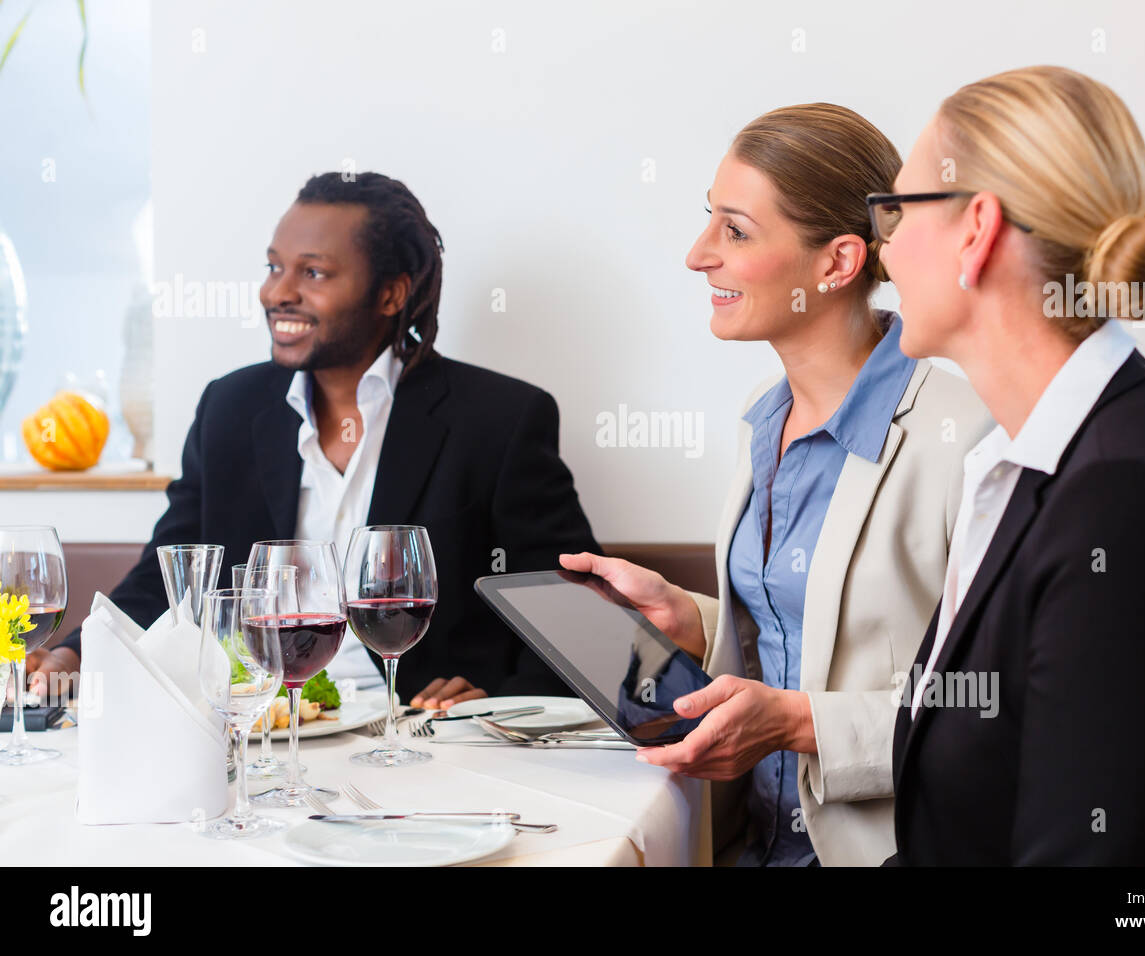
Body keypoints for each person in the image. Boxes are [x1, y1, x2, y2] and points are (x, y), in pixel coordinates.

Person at [877, 65, 1145, 864]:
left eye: (897, 210)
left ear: (976, 230)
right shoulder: (1029, 462)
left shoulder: (1128, 501)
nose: (884, 244)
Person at [562, 104, 992, 866]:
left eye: (735, 230)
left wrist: (801, 727)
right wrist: (692, 620)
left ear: (837, 263)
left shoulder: (964, 441)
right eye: (709, 223)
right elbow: (805, 640)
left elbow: (994, 707)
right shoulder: (764, 421)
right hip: (748, 847)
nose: (699, 256)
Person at [29, 171, 599, 708]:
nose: (278, 292)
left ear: (391, 294)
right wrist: (75, 653)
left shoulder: (499, 419)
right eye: (274, 267)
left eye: (313, 273)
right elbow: (169, 574)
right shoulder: (230, 408)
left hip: (421, 740)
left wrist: (500, 706)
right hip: (260, 728)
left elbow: (570, 611)